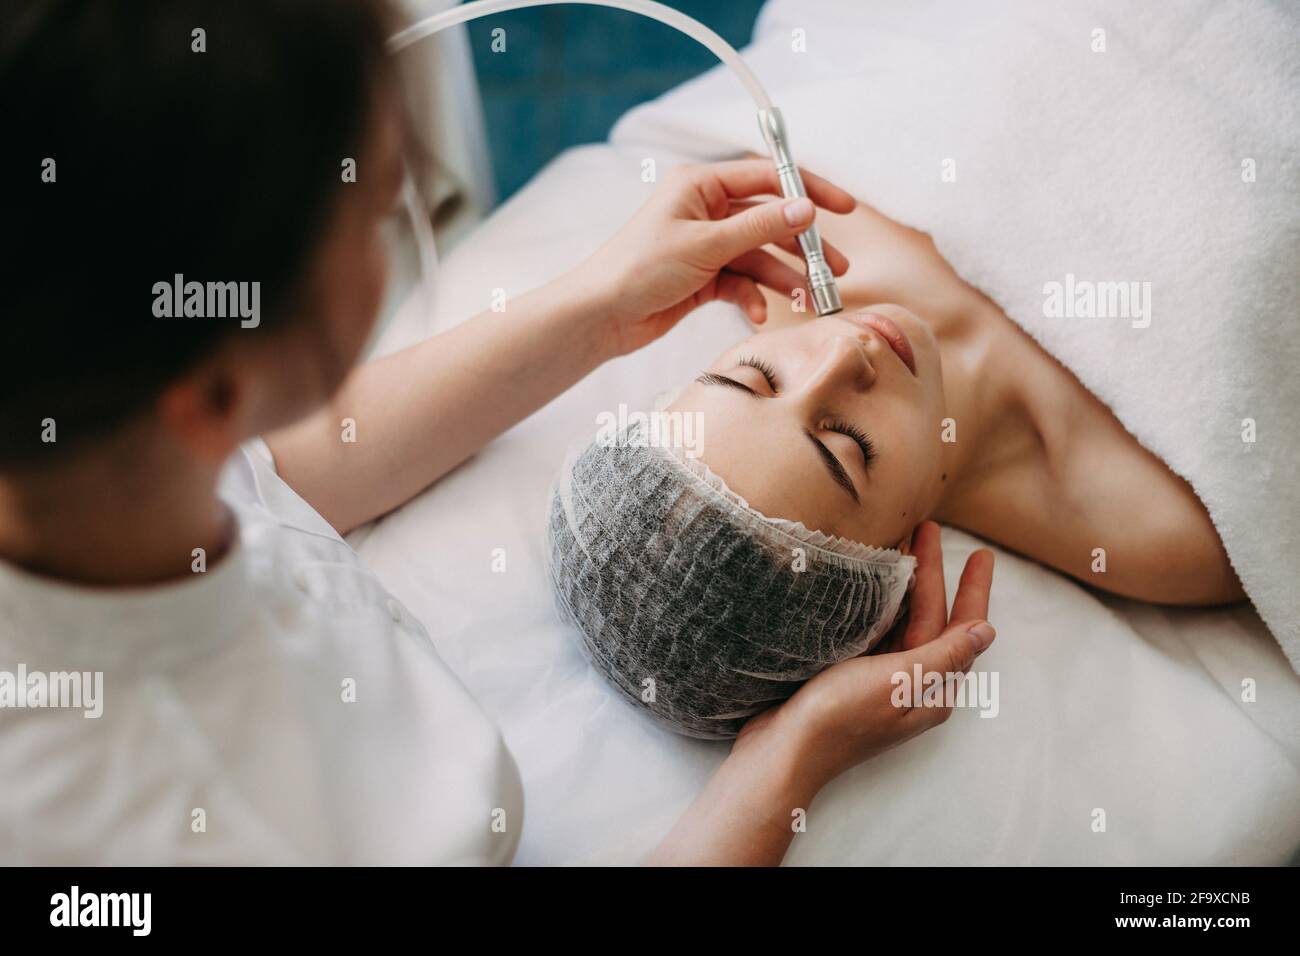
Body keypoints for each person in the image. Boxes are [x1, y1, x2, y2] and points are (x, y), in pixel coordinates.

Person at [0, 0, 990, 865]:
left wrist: (600, 308)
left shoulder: (110, 447)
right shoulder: (157, 828)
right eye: (379, 208)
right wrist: (788, 766)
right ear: (216, 384)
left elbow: (286, 471)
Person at [549, 195, 1244, 740]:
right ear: (899, 563)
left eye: (755, 376)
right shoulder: (1174, 522)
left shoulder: (774, 225)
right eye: (849, 446)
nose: (842, 356)